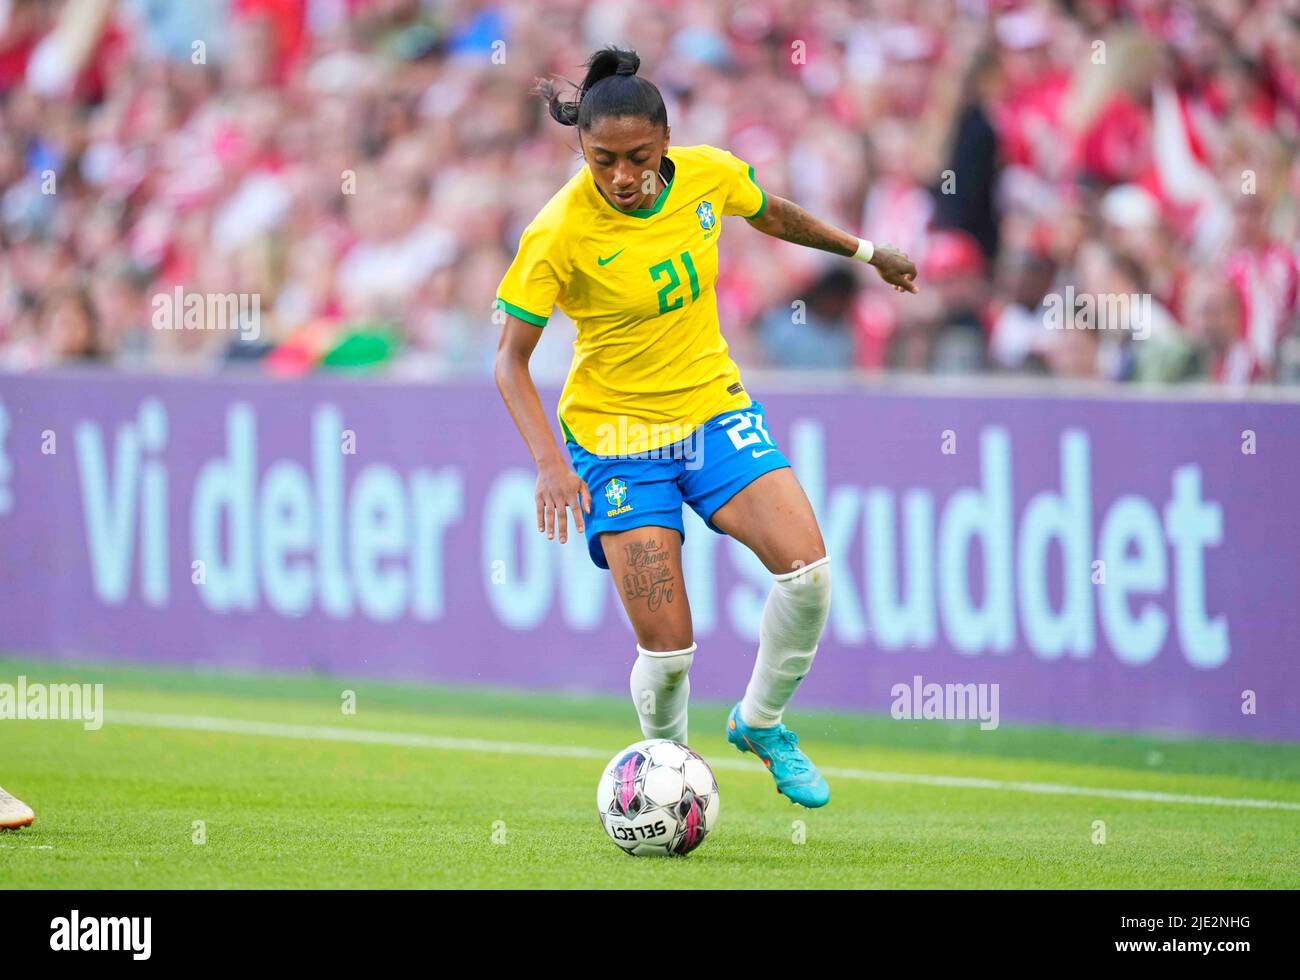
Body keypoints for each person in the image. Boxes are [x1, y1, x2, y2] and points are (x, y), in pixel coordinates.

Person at [493, 47, 918, 809]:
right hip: (618, 447)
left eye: (638, 158)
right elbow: (510, 362)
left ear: (666, 141)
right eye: (602, 161)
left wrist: (865, 252)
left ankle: (761, 722)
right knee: (669, 652)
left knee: (810, 576)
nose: (622, 176)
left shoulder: (709, 174)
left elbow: (771, 212)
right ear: (582, 153)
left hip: (714, 414)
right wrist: (551, 466)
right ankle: (672, 774)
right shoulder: (557, 231)